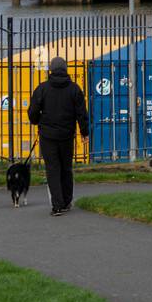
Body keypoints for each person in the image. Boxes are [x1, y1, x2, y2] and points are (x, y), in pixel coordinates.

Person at [27, 56, 90, 216]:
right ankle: (67, 201)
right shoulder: (75, 89)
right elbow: (81, 113)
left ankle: (57, 205)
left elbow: (33, 111)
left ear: (51, 70)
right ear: (66, 69)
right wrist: (84, 132)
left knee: (52, 169)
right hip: (67, 135)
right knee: (66, 168)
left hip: (48, 135)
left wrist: (37, 121)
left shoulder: (42, 89)